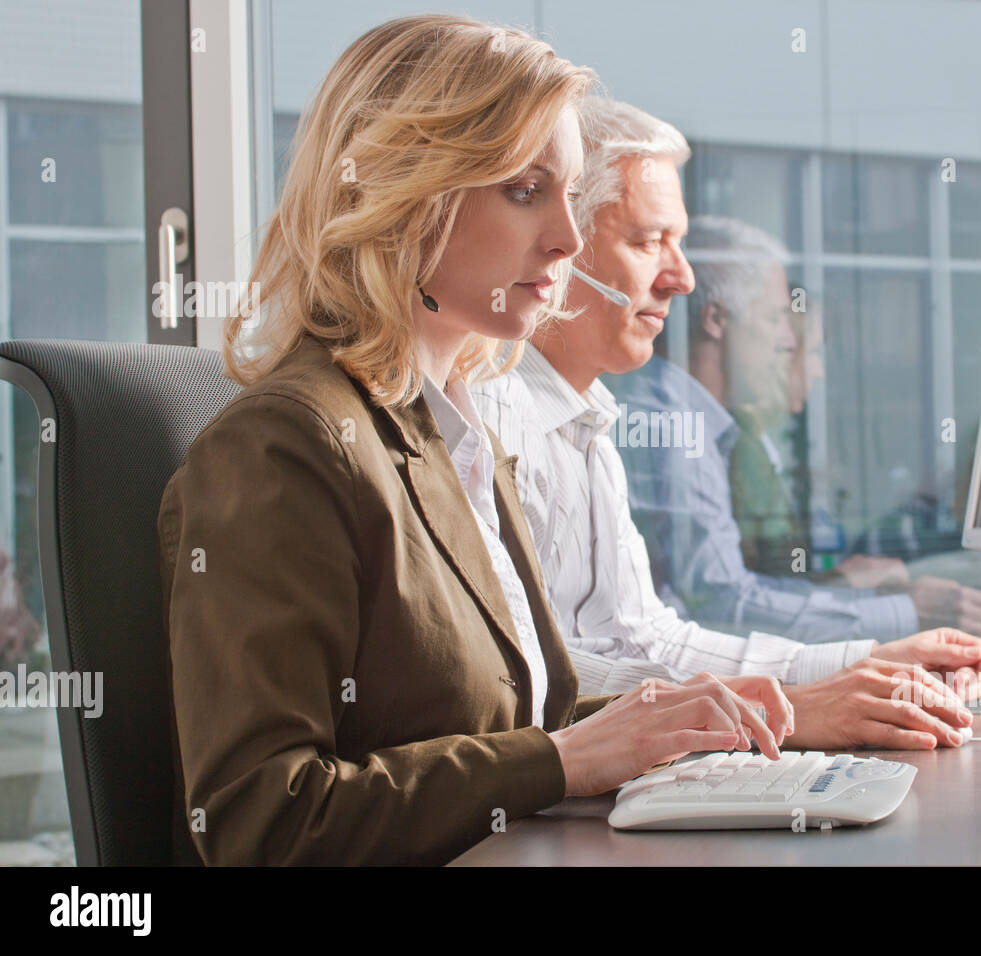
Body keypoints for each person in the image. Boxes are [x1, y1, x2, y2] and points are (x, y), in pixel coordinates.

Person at [156, 16, 792, 867]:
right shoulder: (285, 447)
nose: (568, 238)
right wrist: (566, 759)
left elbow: (501, 727)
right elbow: (259, 820)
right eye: (526, 190)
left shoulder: (455, 428)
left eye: (568, 194)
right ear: (405, 192)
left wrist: (665, 722)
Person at [473, 97, 981, 753]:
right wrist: (794, 708)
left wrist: (862, 663)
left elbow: (644, 638)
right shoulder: (493, 420)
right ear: (561, 249)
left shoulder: (588, 422)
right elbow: (536, 683)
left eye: (678, 243)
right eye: (646, 241)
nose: (683, 279)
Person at [611, 215, 981, 637]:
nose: (788, 342)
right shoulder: (671, 429)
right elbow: (721, 604)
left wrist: (869, 597)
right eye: (775, 319)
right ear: (716, 320)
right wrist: (904, 613)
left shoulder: (698, 425)